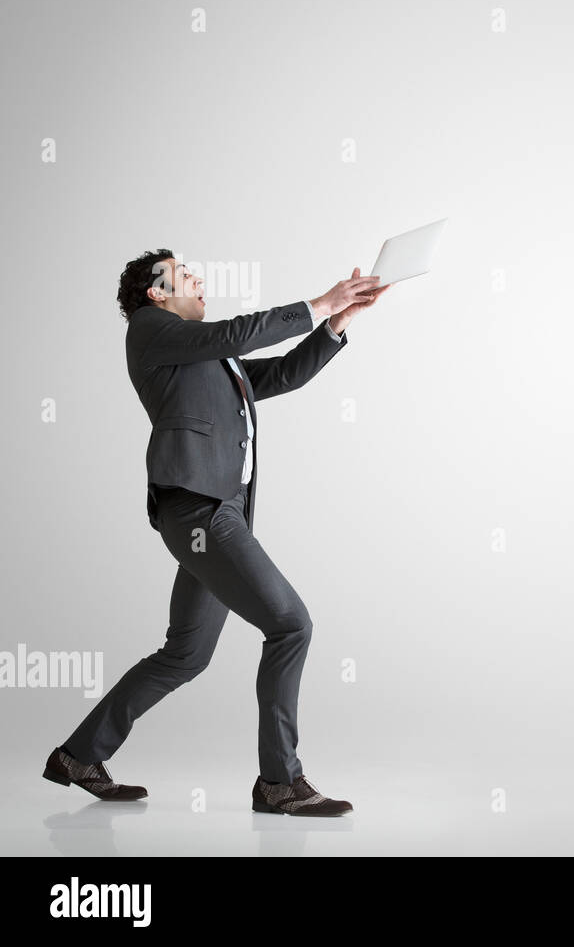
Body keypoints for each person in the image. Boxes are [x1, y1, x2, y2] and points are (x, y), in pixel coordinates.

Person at [43, 250, 388, 816]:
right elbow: (237, 332)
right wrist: (316, 301)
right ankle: (279, 782)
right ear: (156, 294)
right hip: (202, 511)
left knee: (185, 655)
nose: (198, 280)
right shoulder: (154, 331)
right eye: (183, 275)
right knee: (291, 624)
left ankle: (79, 755)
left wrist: (333, 325)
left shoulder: (206, 359)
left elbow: (276, 375)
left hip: (210, 514)